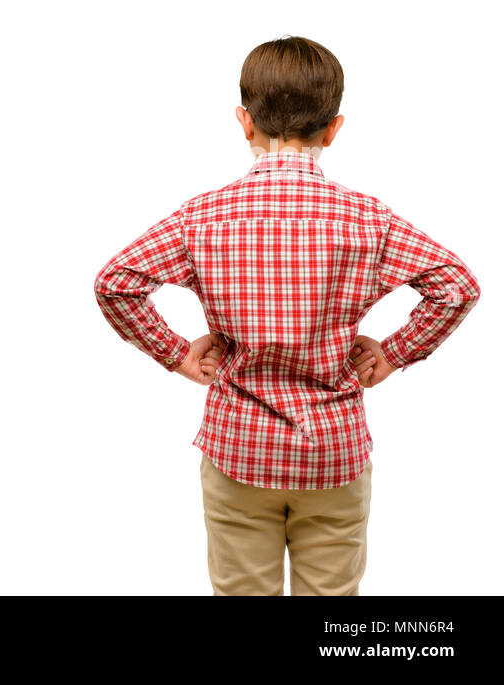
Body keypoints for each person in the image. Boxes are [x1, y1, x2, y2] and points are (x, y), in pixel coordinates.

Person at [93, 36, 479, 595]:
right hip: (334, 453)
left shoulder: (204, 216)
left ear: (243, 122)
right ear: (334, 128)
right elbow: (457, 287)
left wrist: (176, 353)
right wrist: (393, 353)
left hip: (238, 447)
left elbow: (115, 282)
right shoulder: (367, 219)